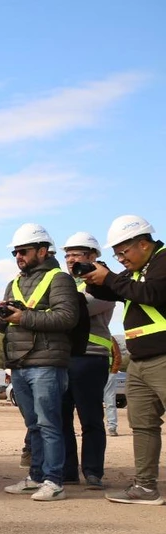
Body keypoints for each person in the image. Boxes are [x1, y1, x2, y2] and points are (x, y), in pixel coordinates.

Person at [83, 215, 166, 505]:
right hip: (140, 361)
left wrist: (112, 278)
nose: (119, 259)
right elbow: (121, 292)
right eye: (115, 253)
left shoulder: (162, 261)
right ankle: (145, 487)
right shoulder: (135, 272)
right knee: (143, 424)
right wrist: (94, 282)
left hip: (164, 358)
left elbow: (153, 294)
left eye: (123, 252)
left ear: (143, 244)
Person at [0, 223, 80, 502]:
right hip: (19, 364)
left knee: (49, 424)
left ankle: (54, 481)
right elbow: (1, 326)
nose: (19, 256)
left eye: (24, 251)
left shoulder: (59, 279)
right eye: (15, 252)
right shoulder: (14, 283)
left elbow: (67, 318)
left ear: (43, 251)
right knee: (33, 425)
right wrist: (3, 315)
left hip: (46, 364)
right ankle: (35, 476)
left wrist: (23, 317)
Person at [60, 232, 114, 490]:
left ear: (93, 256)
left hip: (91, 357)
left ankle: (93, 472)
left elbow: (75, 311)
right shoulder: (68, 285)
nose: (70, 260)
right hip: (65, 357)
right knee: (61, 417)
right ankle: (68, 471)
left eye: (76, 254)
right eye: (67, 255)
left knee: (90, 417)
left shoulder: (104, 283)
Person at [105, 342, 123, 436]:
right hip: (92, 373)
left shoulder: (111, 339)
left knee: (110, 401)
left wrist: (113, 372)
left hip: (108, 375)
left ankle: (112, 427)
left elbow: (117, 356)